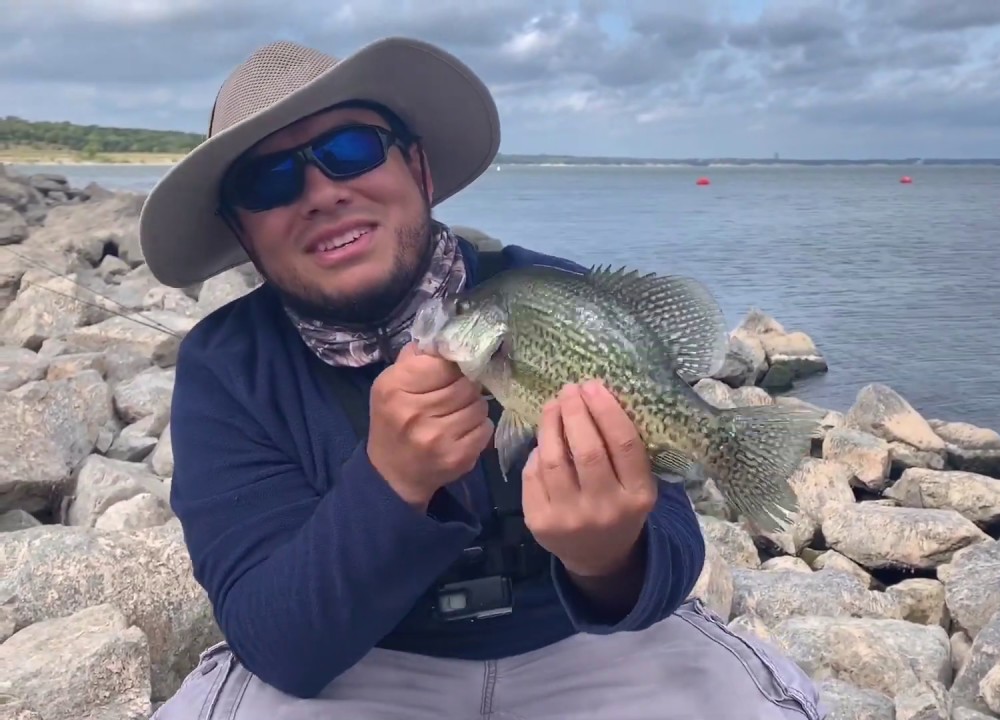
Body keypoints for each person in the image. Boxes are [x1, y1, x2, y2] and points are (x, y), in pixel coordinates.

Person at [139, 37, 826, 720]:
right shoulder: (226, 370)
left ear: (418, 168)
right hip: (352, 669)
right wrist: (390, 484)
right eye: (267, 181)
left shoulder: (556, 293)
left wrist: (611, 558)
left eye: (350, 149)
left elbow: (672, 551)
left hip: (591, 645)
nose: (321, 193)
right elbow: (273, 641)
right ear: (242, 231)